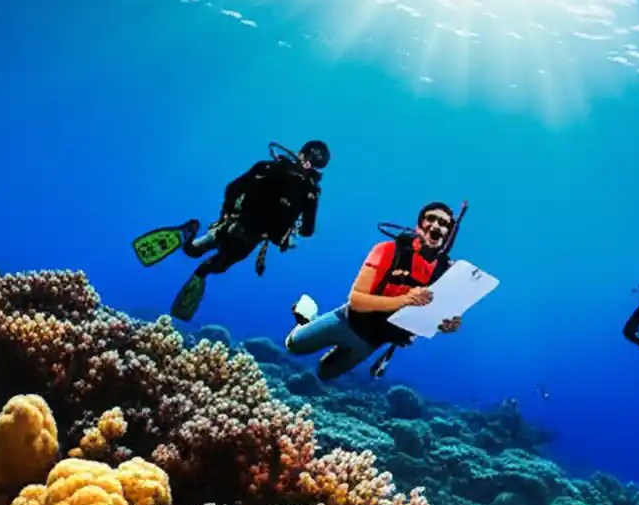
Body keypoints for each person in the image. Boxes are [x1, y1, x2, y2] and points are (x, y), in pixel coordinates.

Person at [131, 140, 330, 321]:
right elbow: (307, 230)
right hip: (246, 236)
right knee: (216, 264)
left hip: (233, 225)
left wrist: (226, 213)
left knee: (194, 252)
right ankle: (200, 265)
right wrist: (289, 233)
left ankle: (189, 234)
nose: (309, 164)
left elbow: (233, 188)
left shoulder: (269, 169)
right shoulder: (308, 192)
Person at [285, 200, 466, 380]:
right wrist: (404, 300)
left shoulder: (443, 274)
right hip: (348, 321)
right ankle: (308, 318)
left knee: (325, 374)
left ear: (448, 233)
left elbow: (427, 317)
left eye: (443, 223)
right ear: (418, 226)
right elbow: (356, 300)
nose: (436, 225)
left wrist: (444, 325)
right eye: (431, 218)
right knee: (294, 345)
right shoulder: (387, 250)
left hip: (372, 341)